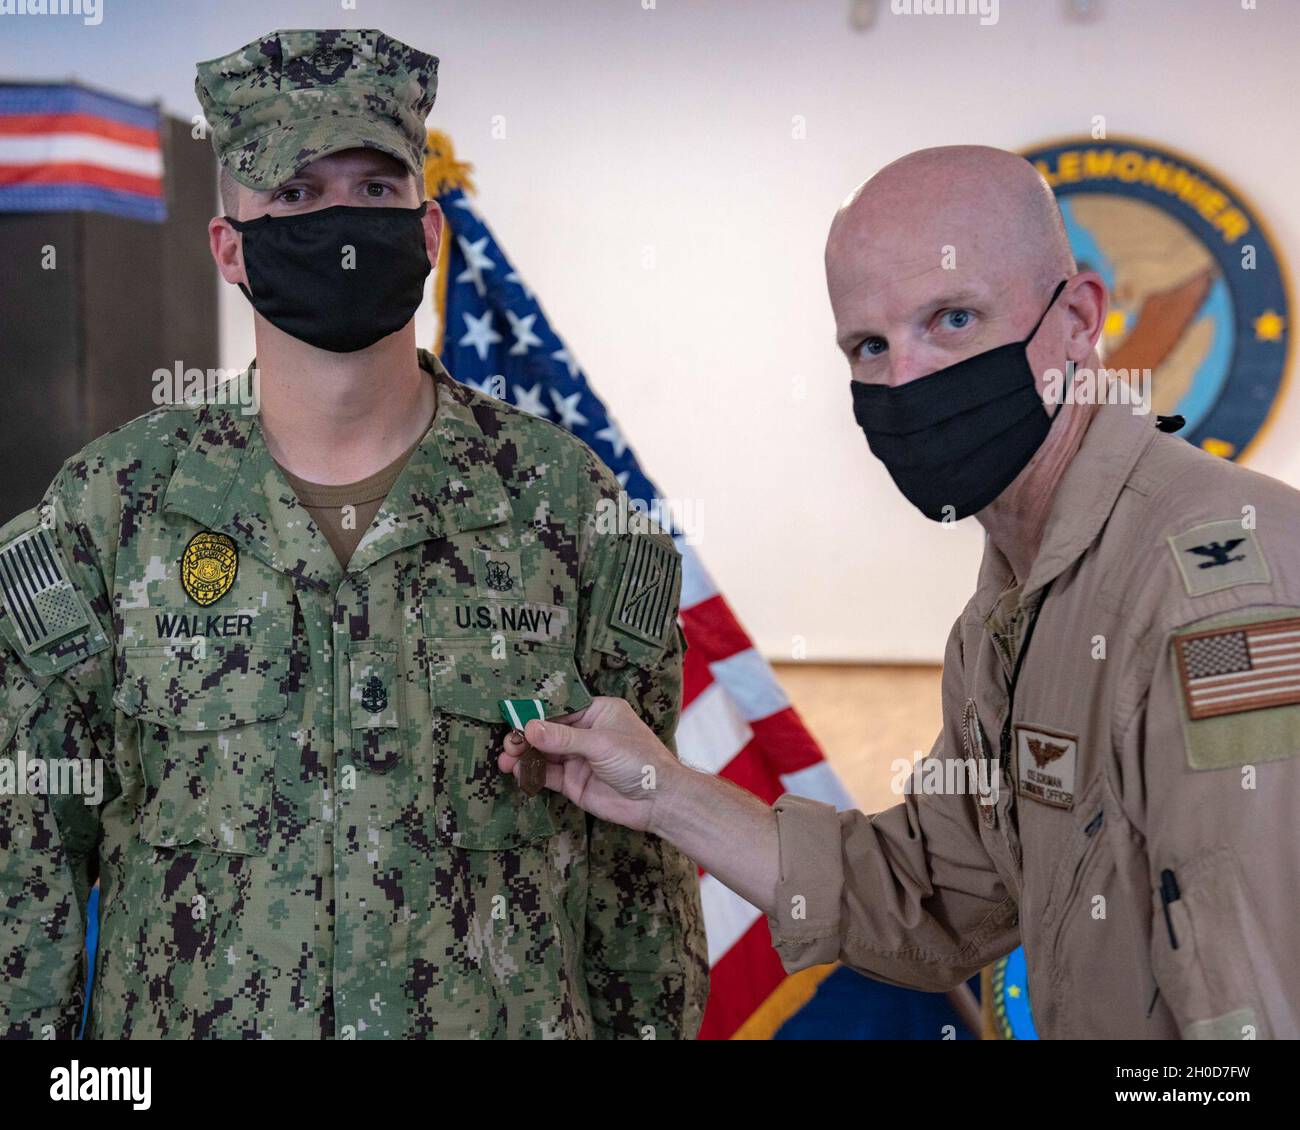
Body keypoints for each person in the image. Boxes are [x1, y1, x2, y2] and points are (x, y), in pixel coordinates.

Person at [0, 28, 707, 1040]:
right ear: (230, 247)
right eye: (294, 193)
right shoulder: (110, 511)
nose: (339, 223)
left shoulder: (565, 506)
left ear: (426, 233)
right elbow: (26, 871)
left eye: (374, 191)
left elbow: (638, 880)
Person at [500, 145, 1300, 1040]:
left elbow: (1250, 1026)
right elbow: (934, 896)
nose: (905, 378)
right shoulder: (1015, 604)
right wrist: (665, 792)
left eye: (952, 319)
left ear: (1079, 320)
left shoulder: (1218, 593)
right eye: (869, 346)